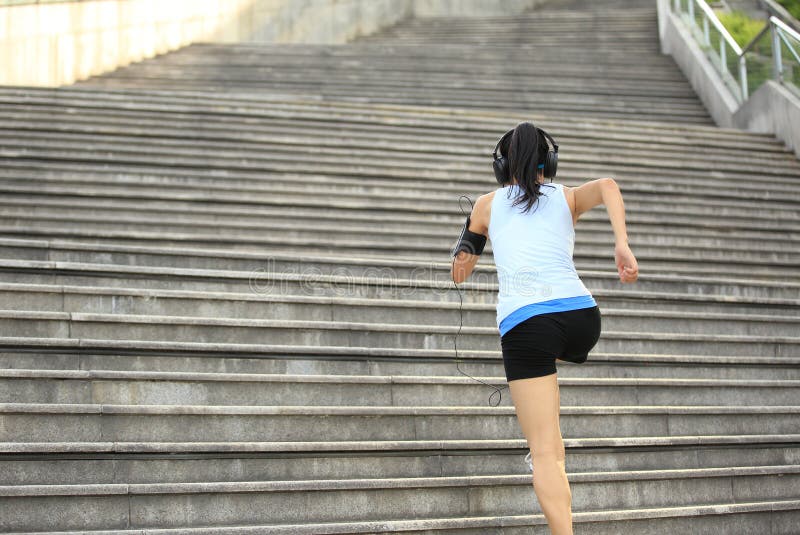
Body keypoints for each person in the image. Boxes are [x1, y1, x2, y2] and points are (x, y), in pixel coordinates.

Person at [450, 121, 639, 534]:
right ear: (548, 162)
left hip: (527, 326)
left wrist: (469, 237)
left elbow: (459, 274)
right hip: (582, 317)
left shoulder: (487, 204)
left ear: (501, 167)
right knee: (552, 437)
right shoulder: (566, 196)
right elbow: (608, 184)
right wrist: (621, 243)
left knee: (544, 451)